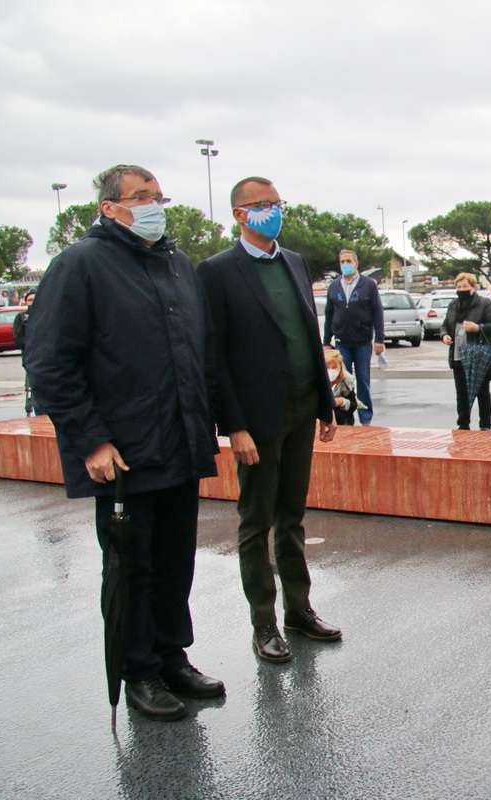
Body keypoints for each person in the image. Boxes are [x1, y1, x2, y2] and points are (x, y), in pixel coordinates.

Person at [26, 164, 224, 721]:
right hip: (122, 454)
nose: (153, 205)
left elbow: (198, 353)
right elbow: (49, 362)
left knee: (173, 561)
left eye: (158, 196)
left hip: (179, 445)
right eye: (140, 197)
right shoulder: (79, 266)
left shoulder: (177, 265)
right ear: (108, 208)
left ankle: (171, 656)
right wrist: (90, 440)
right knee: (131, 566)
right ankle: (137, 671)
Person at [197, 176, 341, 664]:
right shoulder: (217, 272)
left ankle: (299, 610)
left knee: (292, 516)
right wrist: (233, 426)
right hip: (256, 421)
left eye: (277, 203)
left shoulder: (295, 262)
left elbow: (308, 333)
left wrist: (325, 403)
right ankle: (263, 623)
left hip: (303, 407)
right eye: (263, 205)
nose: (273, 211)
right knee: (256, 521)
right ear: (239, 215)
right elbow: (213, 357)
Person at [323, 250, 384, 425]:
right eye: (342, 261)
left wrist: (379, 339)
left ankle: (366, 419)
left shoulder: (368, 285)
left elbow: (377, 312)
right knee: (341, 380)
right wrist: (326, 342)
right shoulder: (334, 286)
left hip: (363, 342)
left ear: (356, 263)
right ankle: (345, 417)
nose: (345, 264)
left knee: (363, 381)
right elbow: (329, 314)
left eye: (348, 261)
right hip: (341, 343)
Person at [440, 272, 491, 430]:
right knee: (461, 394)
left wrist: (478, 328)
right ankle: (463, 425)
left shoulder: (484, 303)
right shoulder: (453, 305)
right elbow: (445, 325)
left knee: (482, 392)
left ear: (474, 288)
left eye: (465, 286)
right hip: (458, 355)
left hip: (478, 355)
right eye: (458, 286)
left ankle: (485, 426)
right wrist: (445, 335)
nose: (461, 289)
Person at [13, 291, 36, 415]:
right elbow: (17, 338)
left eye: (34, 299)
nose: (32, 302)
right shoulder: (21, 317)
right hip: (30, 357)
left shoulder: (47, 315)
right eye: (30, 300)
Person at [324, 348, 360, 425]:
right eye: (327, 367)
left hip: (340, 416)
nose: (330, 370)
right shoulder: (314, 379)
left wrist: (341, 401)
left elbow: (353, 405)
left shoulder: (347, 379)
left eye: (334, 367)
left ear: (340, 366)